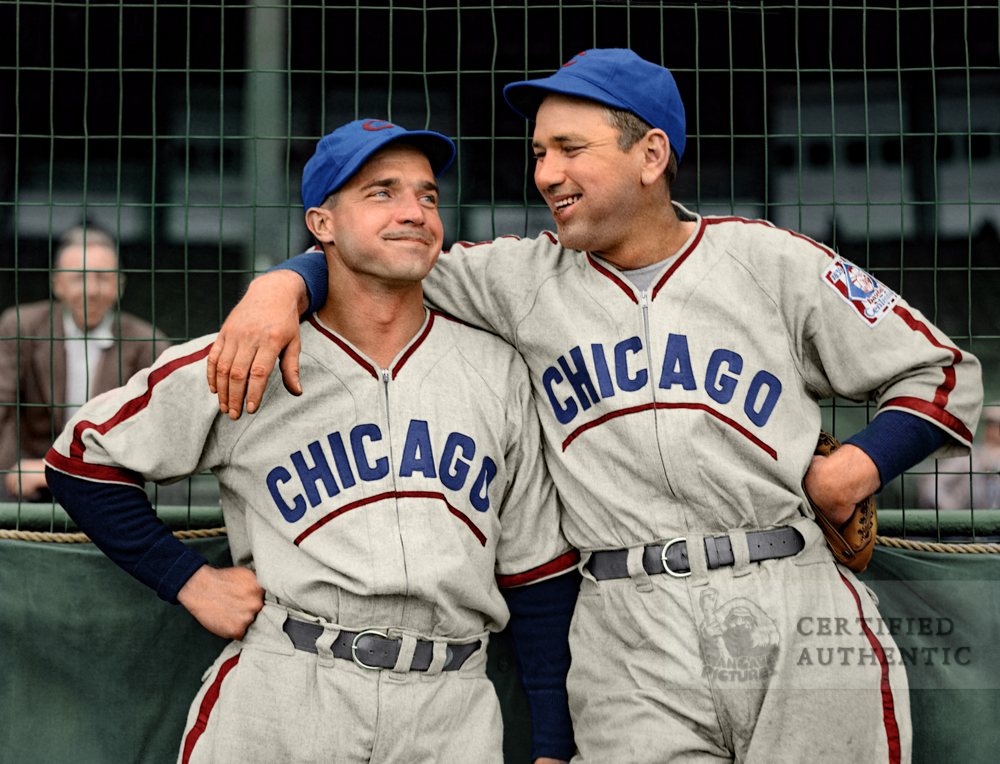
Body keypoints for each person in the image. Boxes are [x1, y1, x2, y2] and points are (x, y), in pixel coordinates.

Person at [204, 50, 983, 763]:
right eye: (539, 153)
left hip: (788, 587)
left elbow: (941, 371)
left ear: (651, 155)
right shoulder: (512, 279)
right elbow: (376, 257)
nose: (545, 173)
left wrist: (856, 466)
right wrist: (283, 285)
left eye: (570, 149)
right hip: (626, 620)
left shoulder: (769, 259)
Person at [45, 120, 578, 764]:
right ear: (322, 224)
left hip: (452, 705)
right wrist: (186, 578)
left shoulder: (496, 369)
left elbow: (537, 574)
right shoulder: (251, 352)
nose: (414, 212)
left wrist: (551, 739)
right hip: (290, 686)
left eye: (428, 196)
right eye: (381, 192)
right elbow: (81, 457)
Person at [0, 225, 168, 501]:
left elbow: (153, 432)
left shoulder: (147, 343)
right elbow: (2, 409)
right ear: (57, 284)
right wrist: (10, 472)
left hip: (112, 484)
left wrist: (59, 471)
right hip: (28, 481)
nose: (91, 290)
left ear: (120, 285)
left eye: (102, 278)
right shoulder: (21, 327)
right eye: (79, 278)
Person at [919, 403, 999, 510]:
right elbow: (931, 484)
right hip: (969, 520)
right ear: (988, 428)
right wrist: (951, 512)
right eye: (995, 425)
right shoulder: (969, 456)